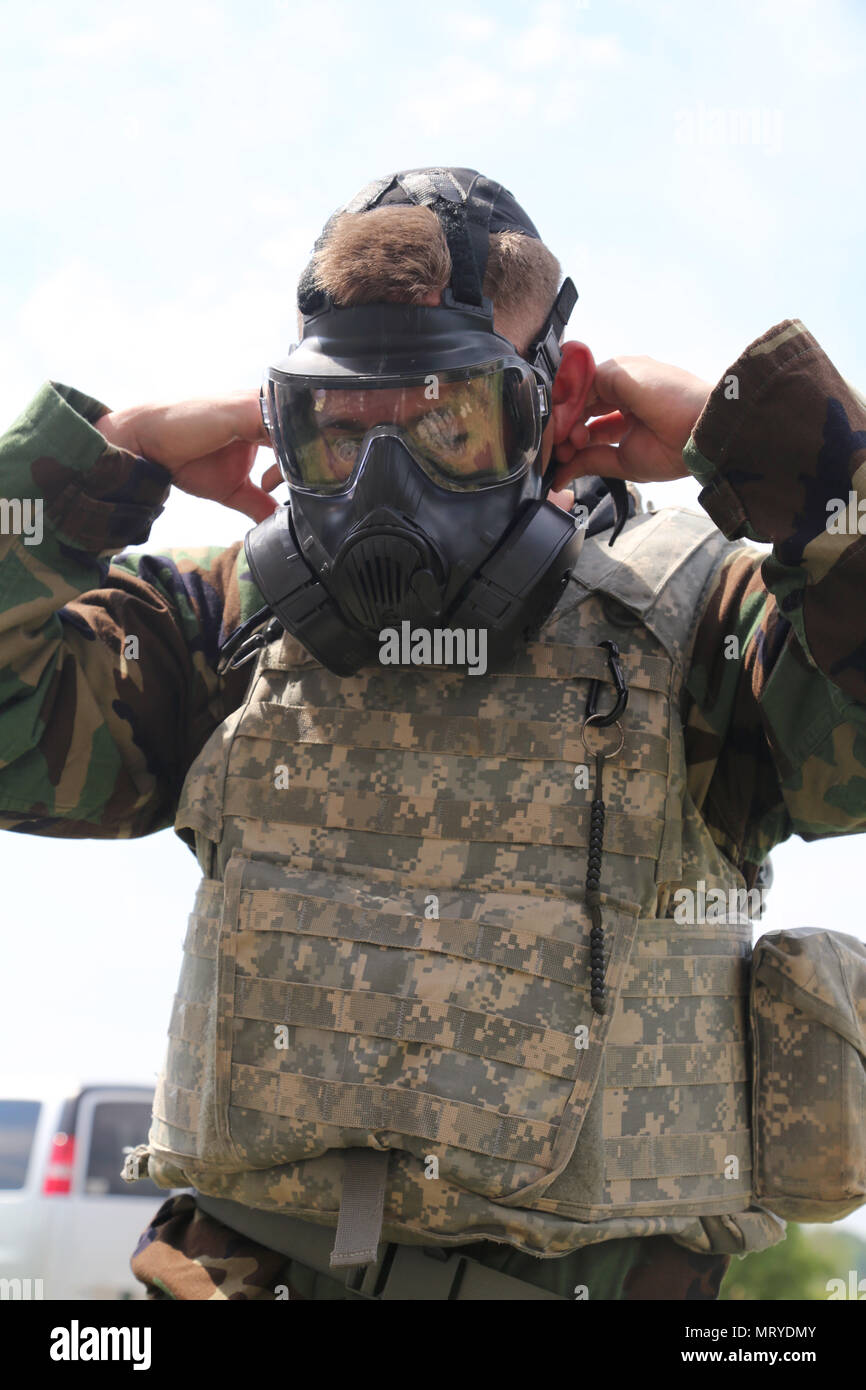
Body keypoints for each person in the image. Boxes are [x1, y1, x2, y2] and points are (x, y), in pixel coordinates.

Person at [1, 169, 864, 1302]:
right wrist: (94, 468)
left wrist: (783, 449)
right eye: (336, 432)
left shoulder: (702, 628)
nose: (379, 490)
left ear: (551, 395)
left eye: (441, 421)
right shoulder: (228, 620)